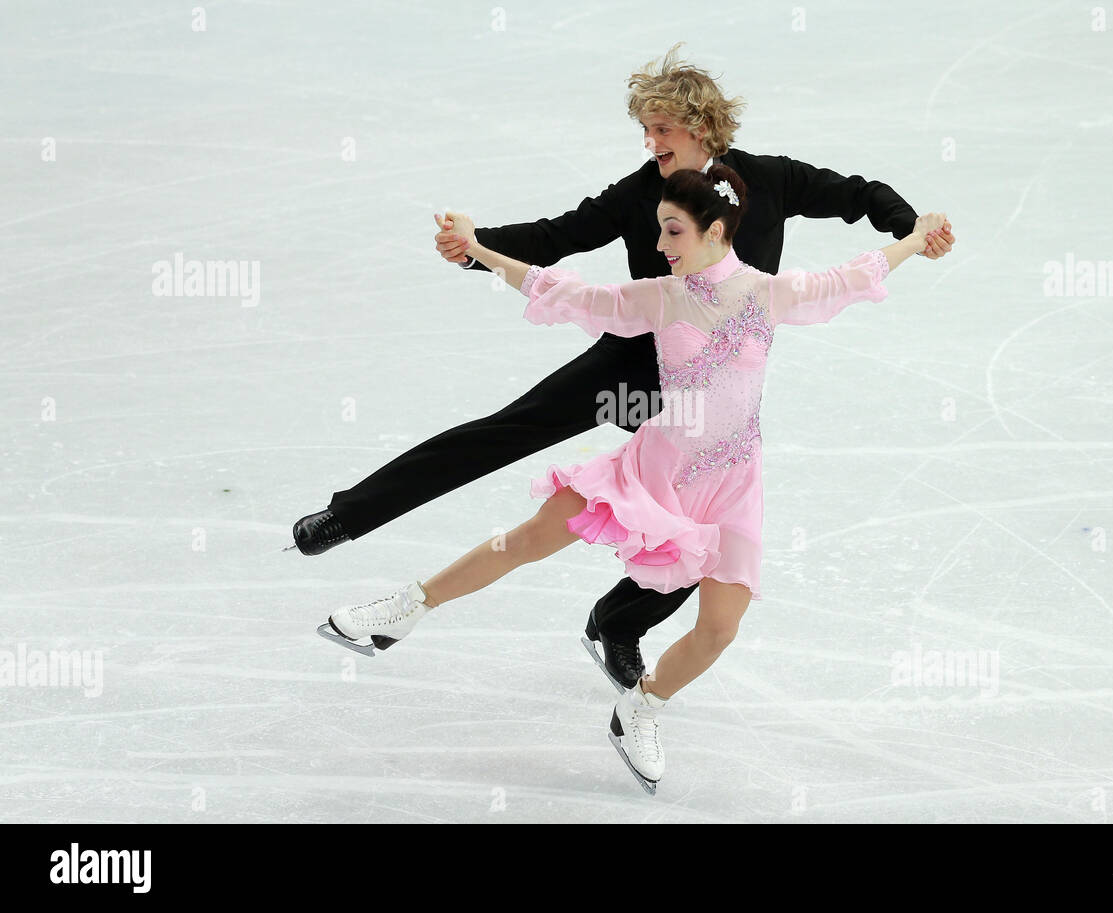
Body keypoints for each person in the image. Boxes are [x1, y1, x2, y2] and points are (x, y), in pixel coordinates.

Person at [290, 44, 955, 691]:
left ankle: (616, 623)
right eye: (644, 129)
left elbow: (858, 194)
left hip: (713, 385)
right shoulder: (641, 193)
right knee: (512, 430)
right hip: (637, 366)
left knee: (704, 514)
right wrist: (475, 247)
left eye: (660, 128)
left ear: (698, 127)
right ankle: (349, 515)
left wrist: (911, 227)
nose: (649, 141)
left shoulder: (770, 178)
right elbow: (558, 237)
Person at [317, 163, 946, 792]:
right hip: (656, 466)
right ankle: (405, 608)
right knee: (529, 539)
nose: (661, 246)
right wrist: (479, 250)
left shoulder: (767, 293)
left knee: (721, 627)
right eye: (659, 231)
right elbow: (564, 293)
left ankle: (640, 708)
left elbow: (856, 275)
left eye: (672, 232)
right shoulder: (661, 298)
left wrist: (917, 237)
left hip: (730, 485)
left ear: (716, 230)